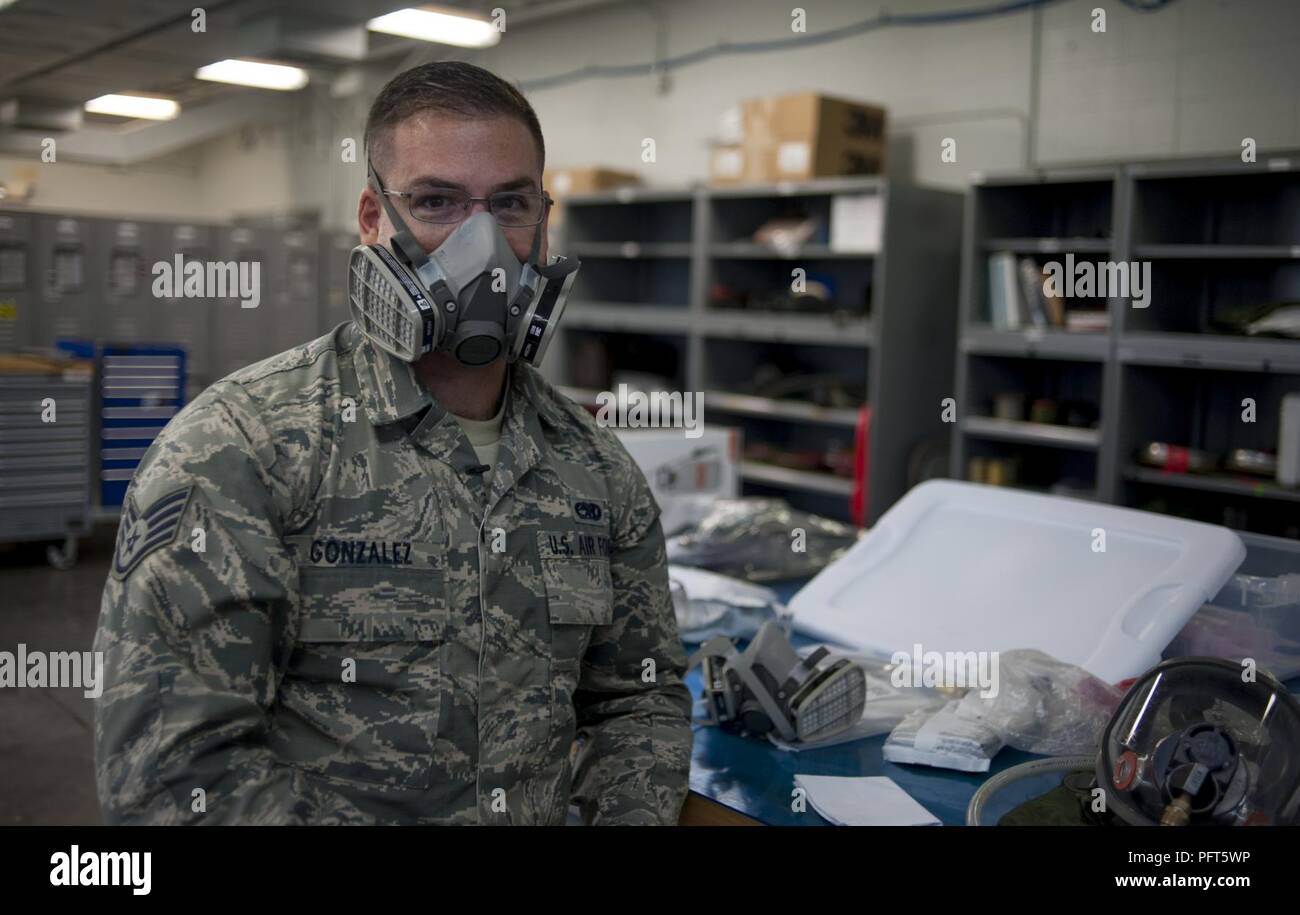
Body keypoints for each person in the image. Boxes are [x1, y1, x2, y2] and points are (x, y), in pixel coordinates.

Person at [93, 60, 693, 825]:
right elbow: (168, 774)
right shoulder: (238, 449)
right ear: (373, 218)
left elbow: (639, 698)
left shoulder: (595, 466)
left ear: (543, 221)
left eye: (510, 203)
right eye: (436, 202)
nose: (483, 243)